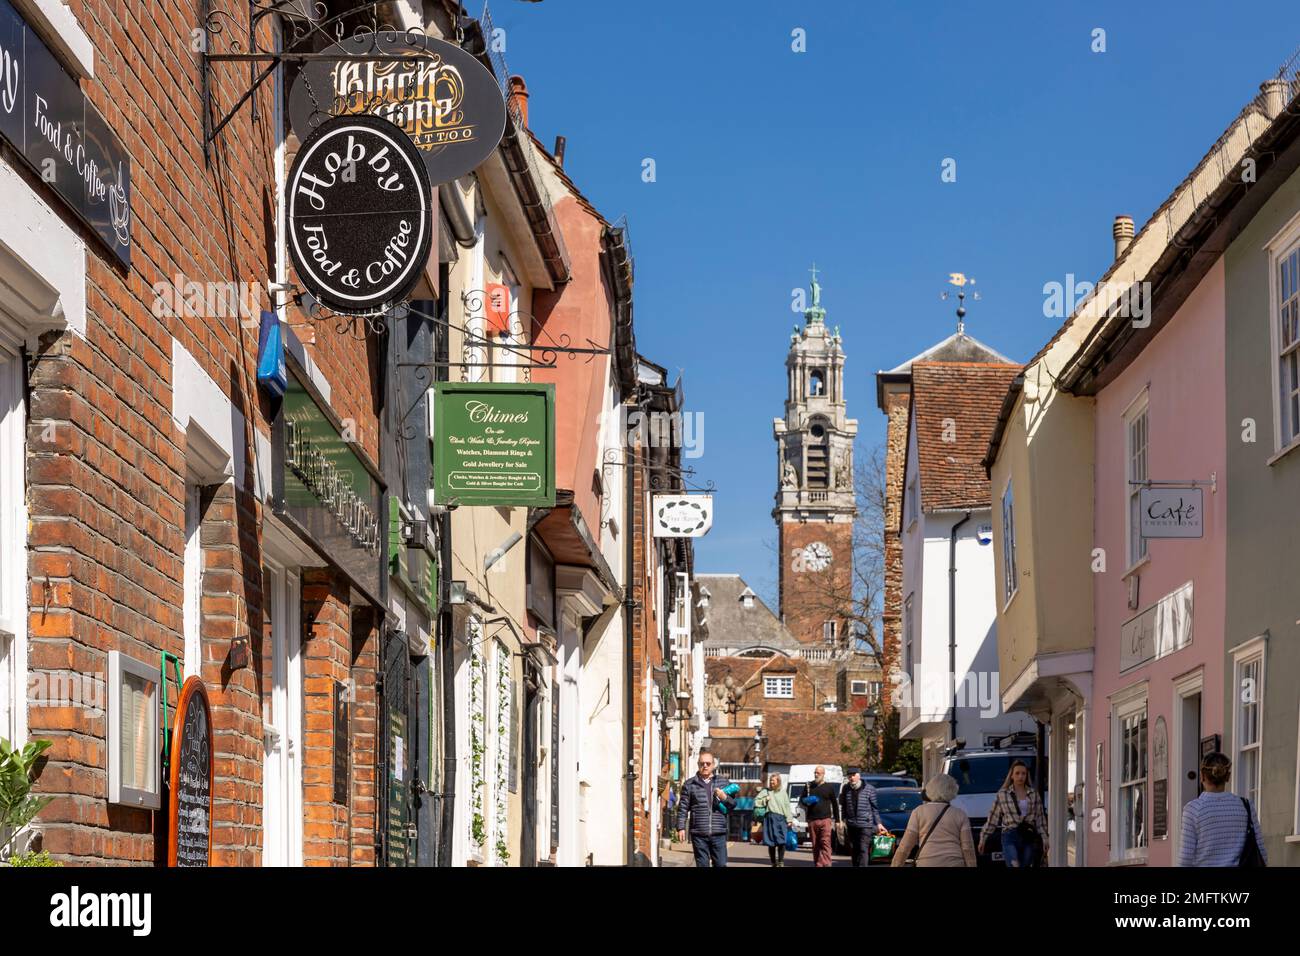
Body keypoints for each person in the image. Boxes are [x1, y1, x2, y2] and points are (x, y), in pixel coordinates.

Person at [1178, 752, 1268, 866]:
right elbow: (1261, 850)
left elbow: (1185, 858)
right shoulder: (1245, 806)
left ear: (1202, 776)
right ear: (1228, 776)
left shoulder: (1193, 809)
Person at [891, 773, 977, 867]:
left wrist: (896, 864)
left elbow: (905, 845)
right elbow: (967, 847)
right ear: (953, 790)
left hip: (927, 862)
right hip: (954, 862)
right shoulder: (960, 814)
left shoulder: (919, 812)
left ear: (930, 790)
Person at [979, 759, 1048, 867]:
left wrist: (1045, 838)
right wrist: (983, 838)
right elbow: (993, 819)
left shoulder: (1033, 794)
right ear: (1011, 775)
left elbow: (1040, 818)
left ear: (1026, 776)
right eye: (1017, 773)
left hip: (1027, 835)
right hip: (1009, 834)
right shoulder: (1003, 794)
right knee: (1014, 864)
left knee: (1025, 865)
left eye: (1023, 773)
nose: (1020, 776)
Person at [675, 750, 736, 867]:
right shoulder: (689, 784)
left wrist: (724, 797)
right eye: (702, 763)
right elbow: (683, 807)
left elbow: (732, 805)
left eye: (708, 763)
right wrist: (681, 827)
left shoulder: (723, 782)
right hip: (699, 833)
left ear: (713, 765)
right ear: (698, 765)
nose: (705, 766)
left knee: (721, 864)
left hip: (718, 832)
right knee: (702, 864)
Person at [839, 767, 889, 867]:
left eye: (853, 775)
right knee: (854, 849)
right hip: (851, 824)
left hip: (865, 824)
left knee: (863, 848)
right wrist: (842, 820)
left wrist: (879, 823)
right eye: (850, 776)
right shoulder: (846, 788)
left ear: (859, 775)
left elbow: (875, 808)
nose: (851, 778)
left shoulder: (869, 789)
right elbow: (843, 805)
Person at [799, 765, 840, 867]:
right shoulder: (809, 786)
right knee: (815, 845)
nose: (816, 775)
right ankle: (818, 864)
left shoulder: (829, 787)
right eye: (815, 773)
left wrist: (838, 820)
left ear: (823, 774)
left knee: (825, 842)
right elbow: (801, 801)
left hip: (825, 819)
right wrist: (806, 801)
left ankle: (826, 864)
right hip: (812, 820)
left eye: (818, 773)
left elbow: (835, 804)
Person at [754, 773, 794, 866]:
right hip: (769, 819)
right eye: (770, 780)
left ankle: (780, 861)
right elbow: (756, 802)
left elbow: (787, 806)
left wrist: (789, 819)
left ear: (778, 781)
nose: (771, 782)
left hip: (781, 819)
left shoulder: (783, 792)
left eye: (773, 780)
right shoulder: (766, 791)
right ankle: (773, 862)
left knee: (782, 842)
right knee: (771, 843)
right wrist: (765, 800)